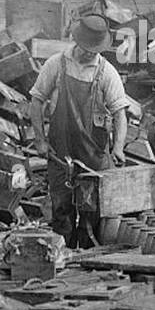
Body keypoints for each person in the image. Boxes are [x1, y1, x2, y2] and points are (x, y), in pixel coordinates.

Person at [29, 14, 130, 247]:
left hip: (92, 154)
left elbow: (119, 114)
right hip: (60, 149)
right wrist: (40, 140)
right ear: (76, 41)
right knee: (61, 206)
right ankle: (61, 255)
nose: (88, 53)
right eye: (85, 48)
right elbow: (36, 101)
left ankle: (85, 256)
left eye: (94, 50)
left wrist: (118, 147)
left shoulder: (107, 72)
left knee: (91, 210)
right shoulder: (56, 64)